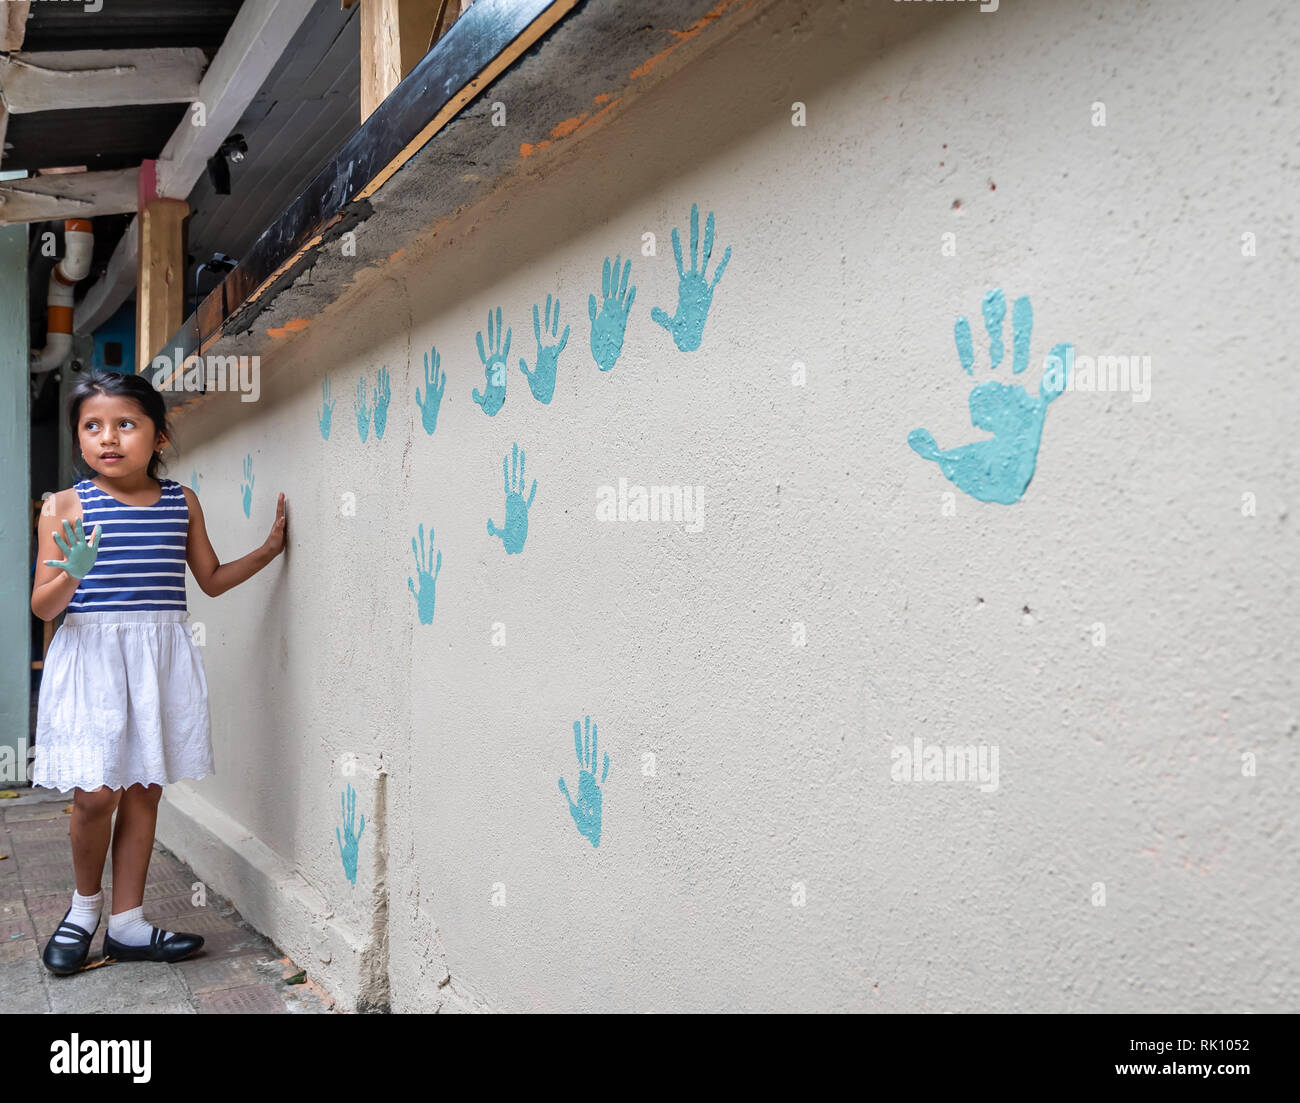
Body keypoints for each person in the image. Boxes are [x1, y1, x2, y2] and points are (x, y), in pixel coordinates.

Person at [29, 369, 287, 975]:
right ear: (78, 439)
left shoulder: (180, 501)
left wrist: (269, 550)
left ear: (159, 436)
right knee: (96, 795)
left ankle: (128, 926)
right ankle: (82, 911)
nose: (108, 438)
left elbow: (212, 581)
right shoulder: (64, 505)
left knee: (144, 789)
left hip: (158, 654)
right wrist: (73, 571)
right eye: (92, 427)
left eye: (125, 424)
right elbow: (42, 605)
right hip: (93, 658)